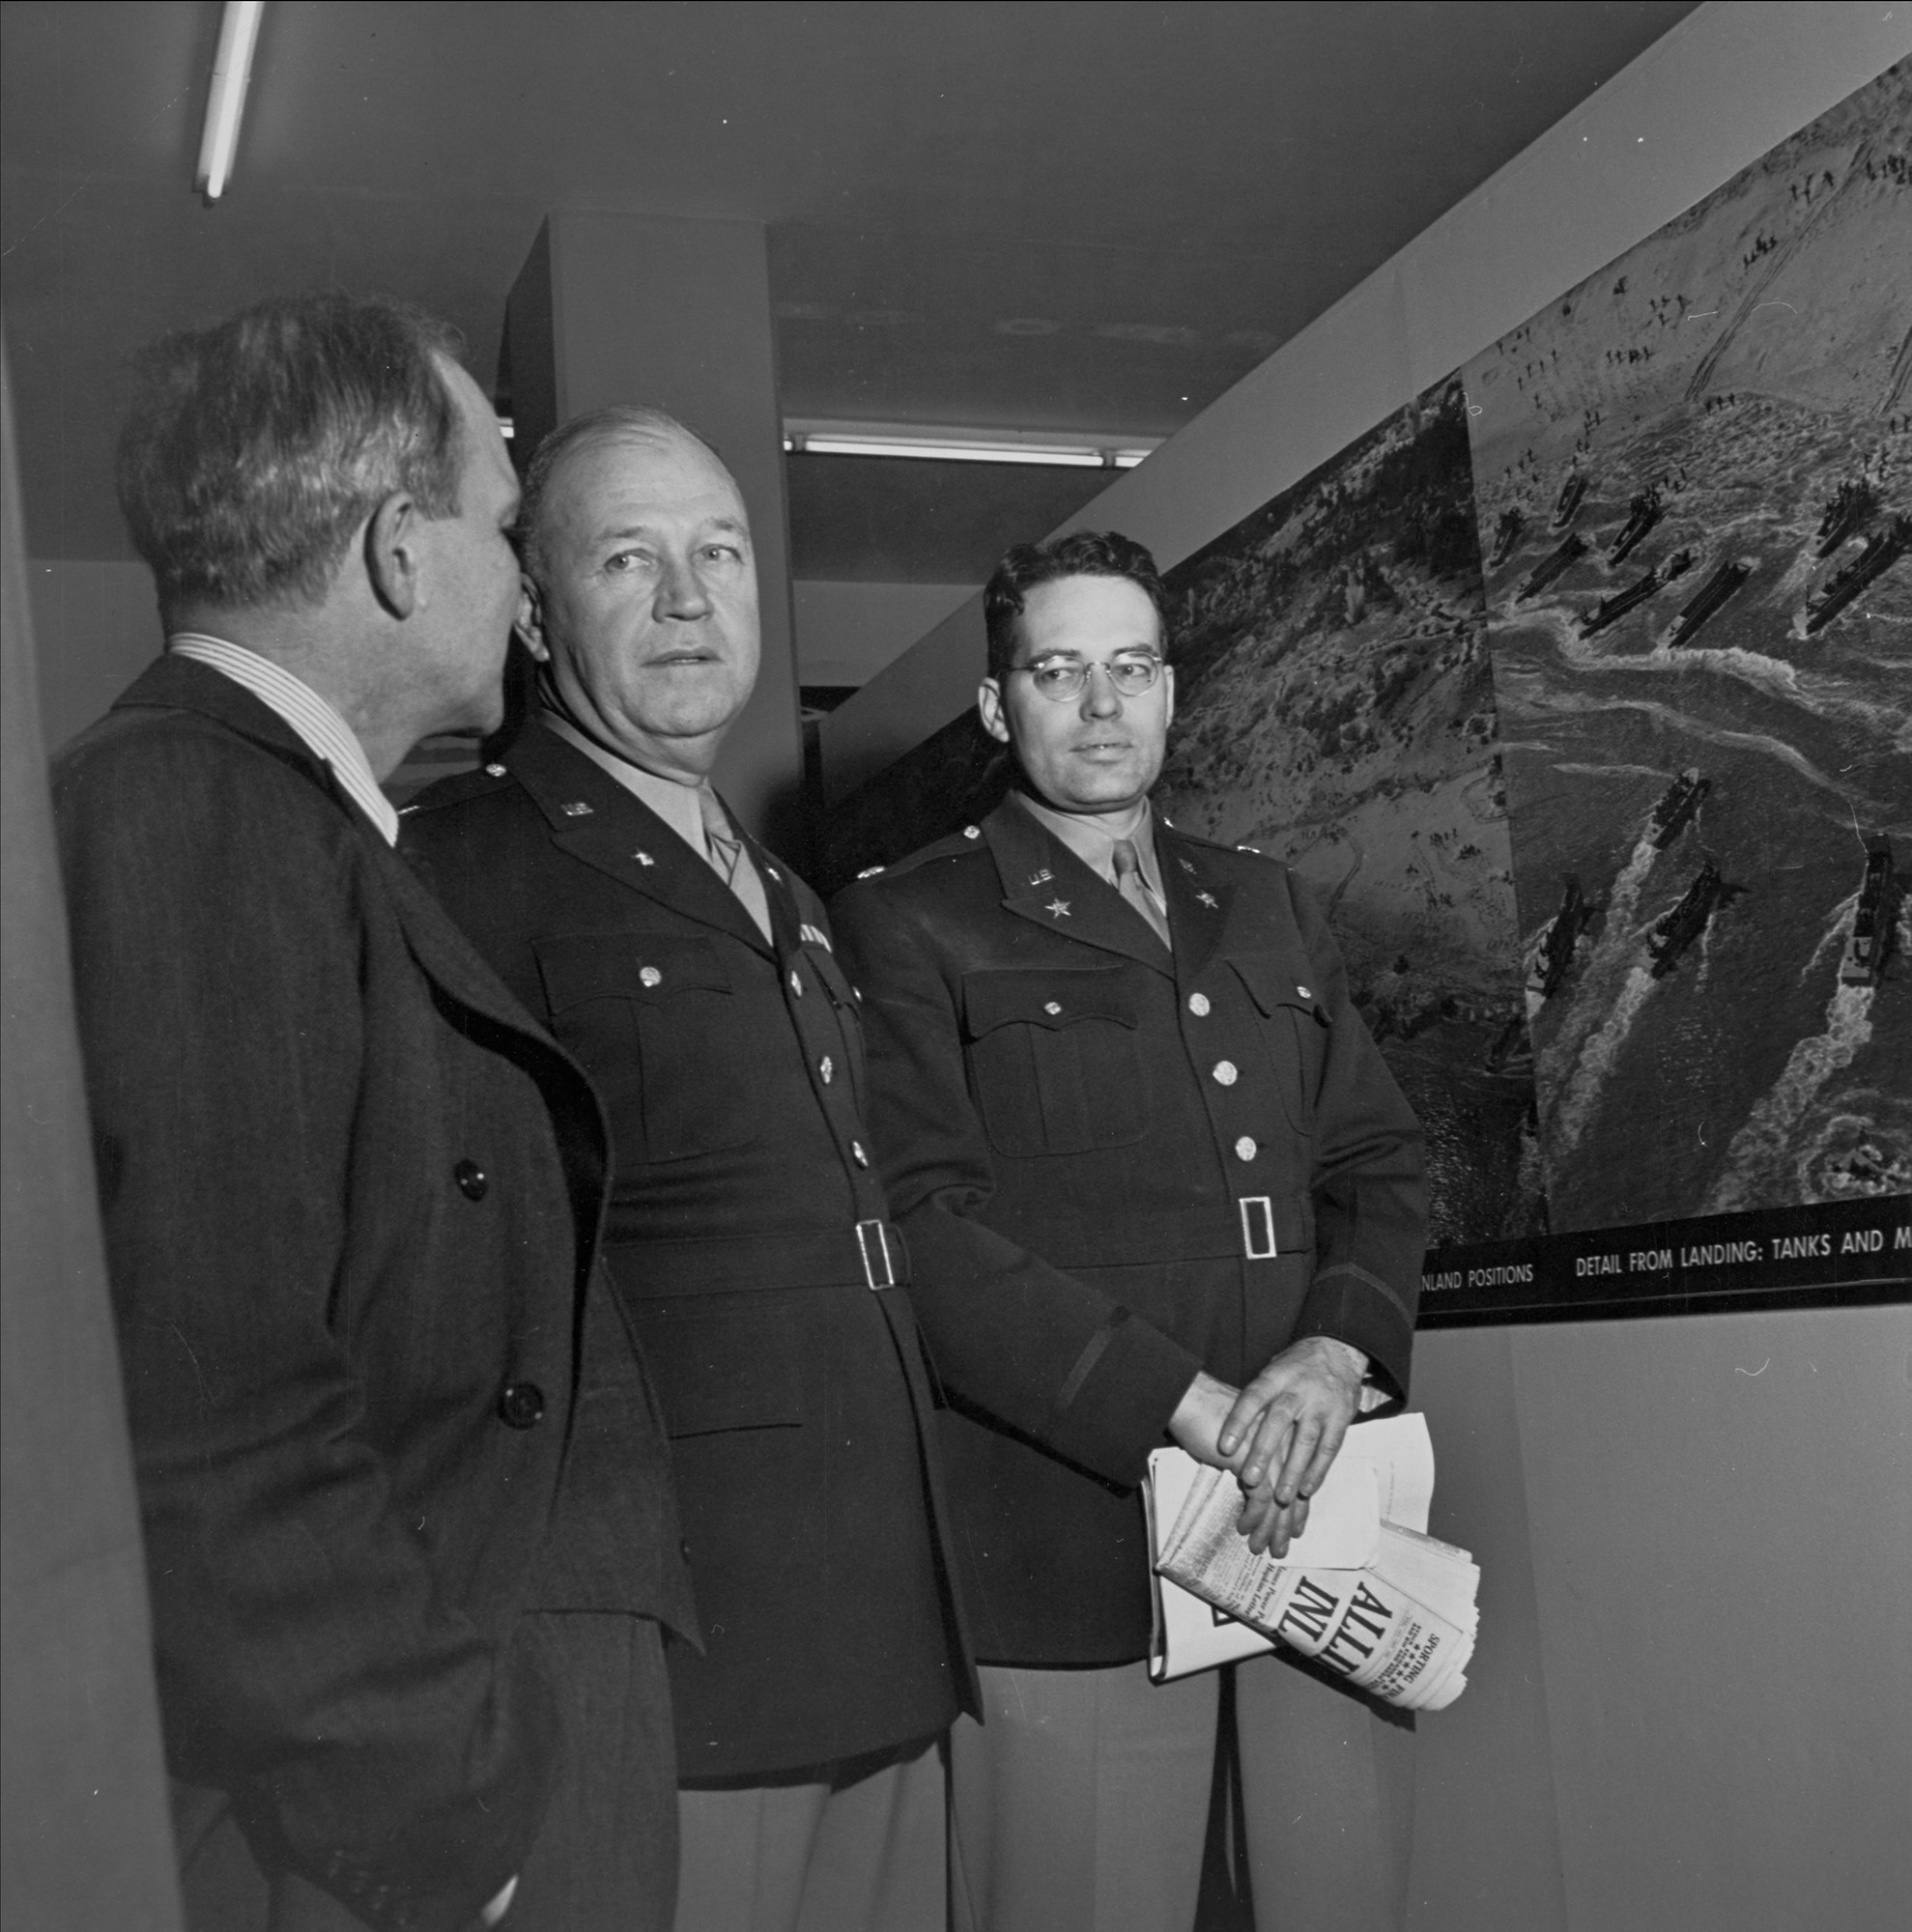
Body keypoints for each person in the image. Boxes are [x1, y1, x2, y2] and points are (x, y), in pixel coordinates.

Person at [53, 296, 693, 1932]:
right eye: (500, 523)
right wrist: (459, 1818)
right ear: (403, 555)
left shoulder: (275, 818)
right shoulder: (190, 817)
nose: (522, 581)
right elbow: (218, 1412)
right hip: (376, 1840)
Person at [402, 406, 978, 1932]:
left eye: (718, 554)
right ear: (533, 610)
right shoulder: (463, 869)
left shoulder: (783, 890)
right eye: (628, 558)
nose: (685, 599)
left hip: (879, 1617)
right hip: (676, 1657)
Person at [829, 528, 1431, 1932]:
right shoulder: (910, 921)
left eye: (1132, 667)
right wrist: (1189, 1405)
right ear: (998, 706)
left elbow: (1378, 1163)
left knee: (1339, 1898)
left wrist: (1336, 1355)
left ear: (1171, 691)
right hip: (1073, 1557)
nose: (1102, 707)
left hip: (1314, 1530)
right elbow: (924, 1230)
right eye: (1058, 671)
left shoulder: (1266, 903)